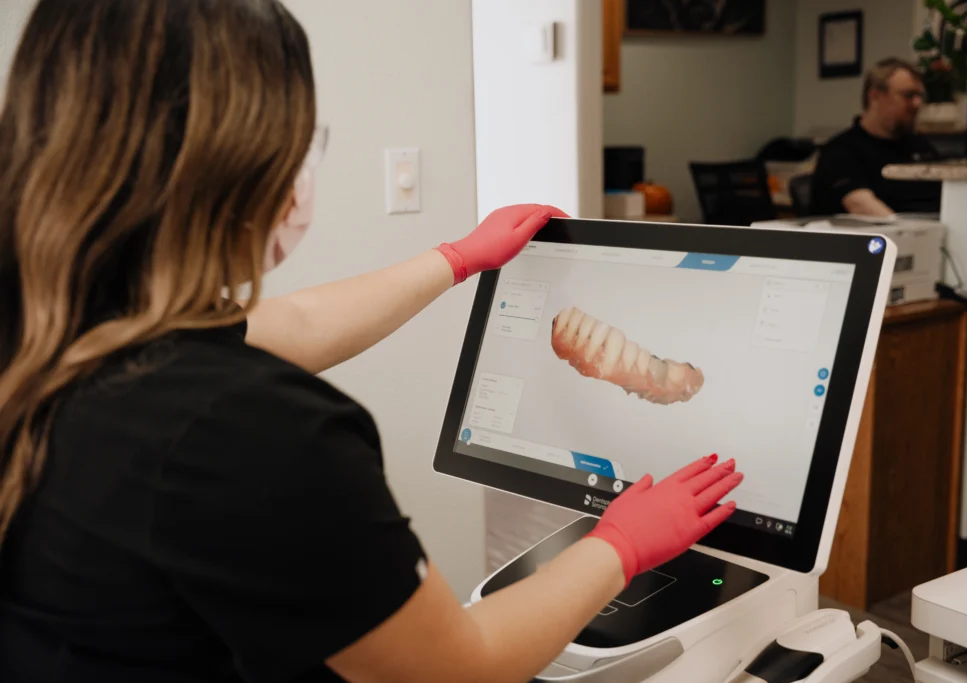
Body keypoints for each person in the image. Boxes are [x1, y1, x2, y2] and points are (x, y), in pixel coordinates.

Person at [0, 2, 744, 682]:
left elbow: (285, 327)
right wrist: (623, 542)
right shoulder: (247, 428)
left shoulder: (55, 326)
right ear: (246, 165)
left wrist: (454, 258)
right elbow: (457, 667)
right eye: (302, 143)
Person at [811, 57, 943, 217]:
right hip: (881, 237)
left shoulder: (921, 147)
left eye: (919, 96)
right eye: (908, 95)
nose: (917, 104)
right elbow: (861, 206)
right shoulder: (840, 151)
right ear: (875, 97)